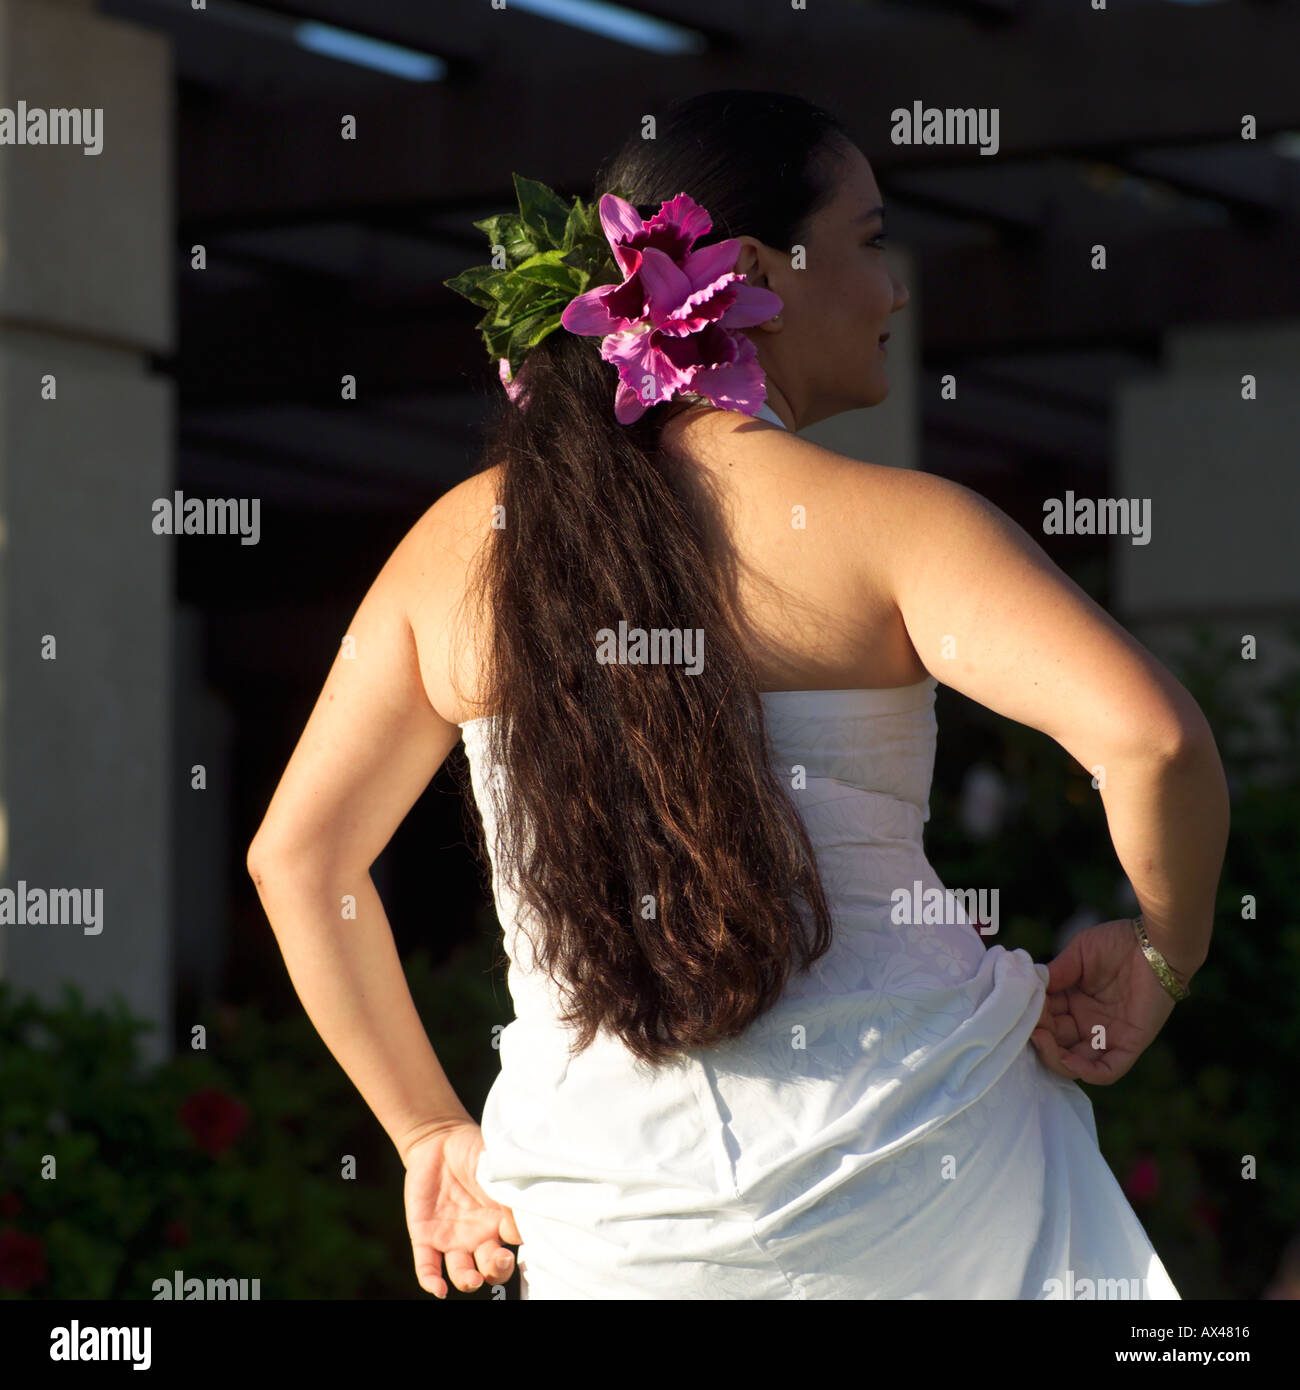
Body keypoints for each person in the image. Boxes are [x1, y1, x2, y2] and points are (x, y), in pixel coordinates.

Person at [246, 90, 1230, 1300]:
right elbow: (1155, 742)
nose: (895, 290)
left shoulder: (461, 547)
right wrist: (1162, 950)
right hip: (926, 1169)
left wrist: (423, 1129)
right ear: (757, 269)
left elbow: (300, 859)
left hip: (613, 1219)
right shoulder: (897, 528)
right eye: (871, 244)